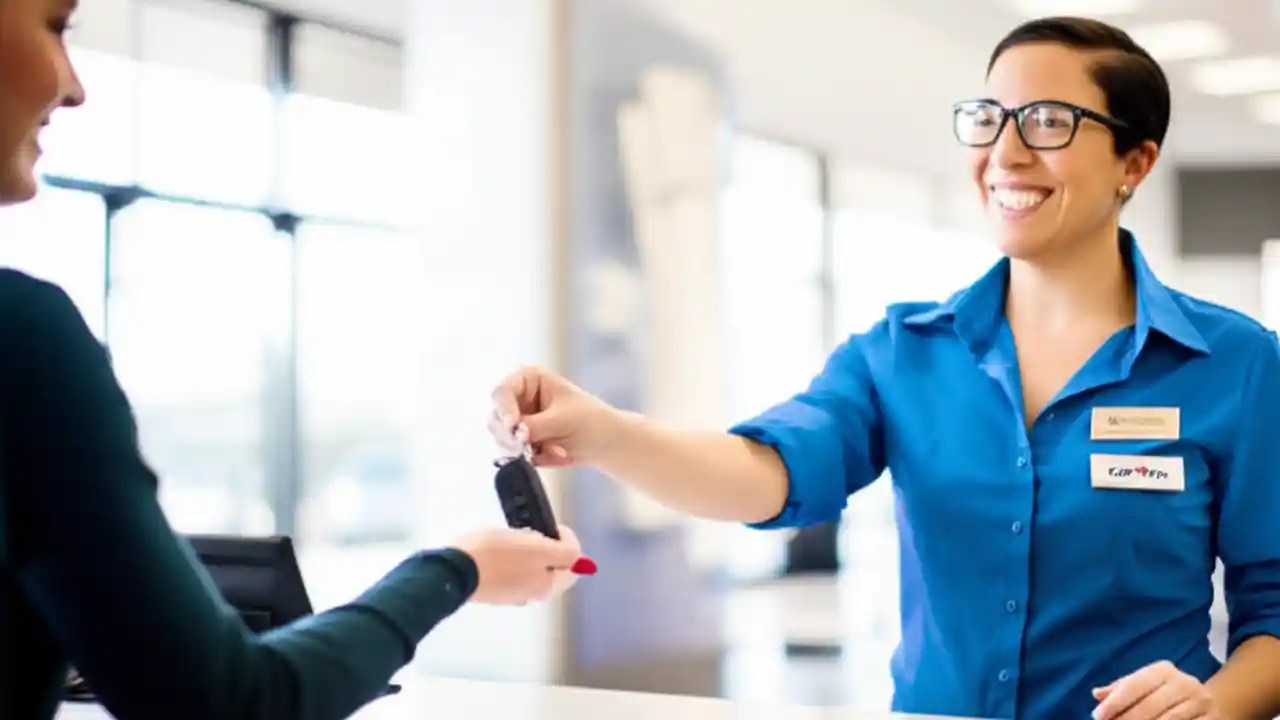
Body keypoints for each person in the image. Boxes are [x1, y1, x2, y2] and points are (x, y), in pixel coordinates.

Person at [491, 15, 1280, 720]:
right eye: (989, 119)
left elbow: (1274, 610)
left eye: (1047, 121)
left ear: (1133, 162)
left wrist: (1215, 704)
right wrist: (606, 434)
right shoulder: (902, 353)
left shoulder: (1234, 363)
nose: (1004, 152)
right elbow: (769, 473)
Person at [0, 1, 596, 719]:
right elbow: (233, 703)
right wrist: (458, 570)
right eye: (57, 29)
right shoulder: (22, 337)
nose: (74, 87)